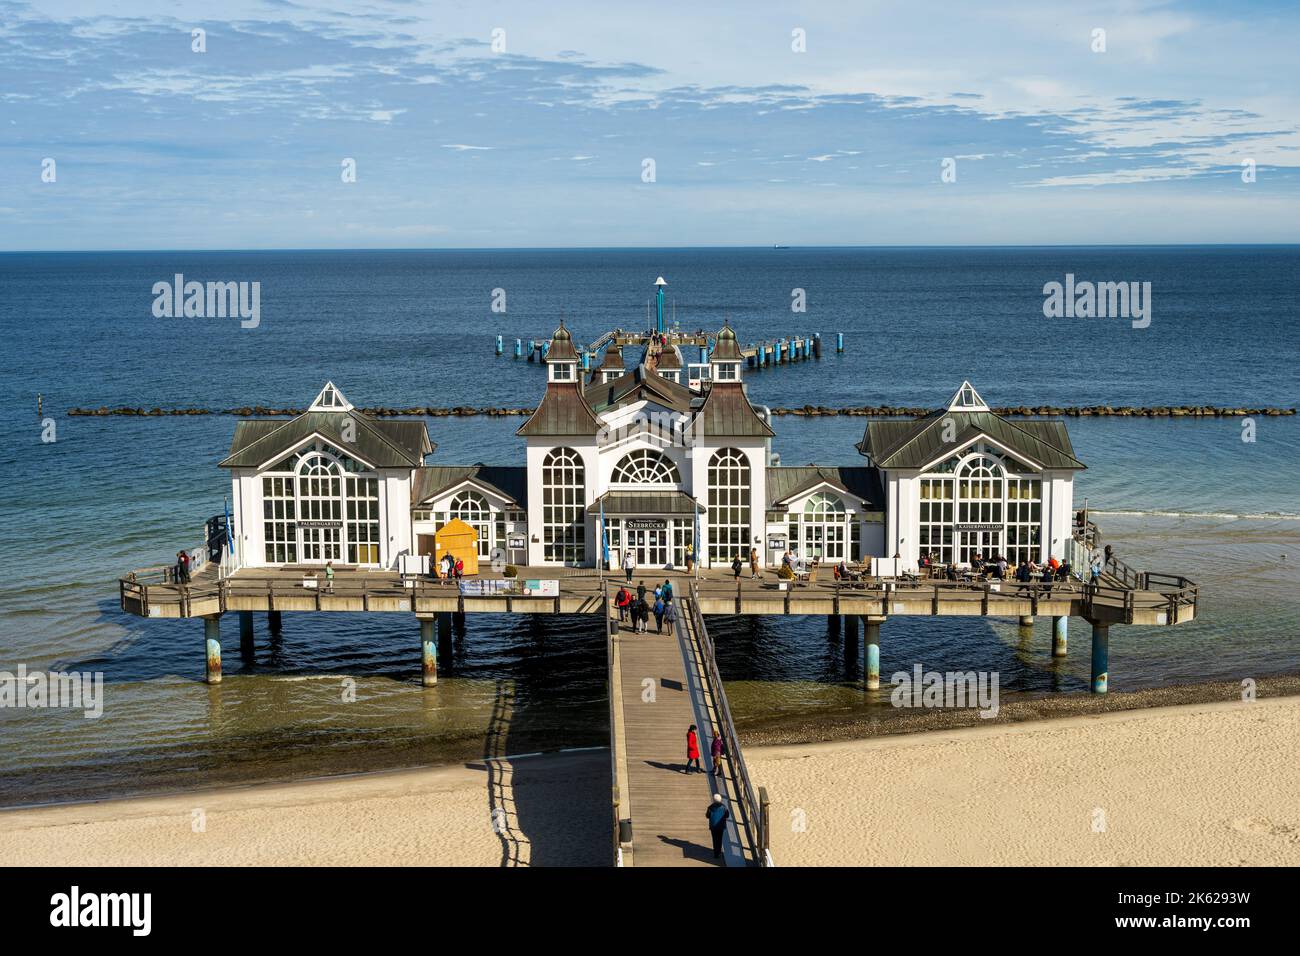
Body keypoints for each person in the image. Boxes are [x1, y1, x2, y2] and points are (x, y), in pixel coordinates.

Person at [706, 794, 730, 860]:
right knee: (719, 838)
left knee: (714, 839)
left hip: (713, 826)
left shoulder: (710, 807)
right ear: (720, 800)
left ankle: (716, 853)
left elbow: (707, 816)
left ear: (714, 800)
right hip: (720, 825)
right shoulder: (724, 807)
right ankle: (719, 851)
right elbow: (727, 815)